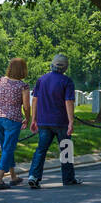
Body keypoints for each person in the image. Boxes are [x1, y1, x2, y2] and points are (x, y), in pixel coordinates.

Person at [27, 53, 81, 189]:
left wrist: (33, 119)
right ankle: (68, 178)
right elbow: (68, 101)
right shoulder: (67, 81)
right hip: (61, 121)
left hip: (44, 121)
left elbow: (35, 100)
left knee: (41, 149)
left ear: (52, 65)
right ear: (65, 68)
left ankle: (34, 176)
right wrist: (71, 122)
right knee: (66, 149)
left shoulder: (42, 79)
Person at [0, 57, 32, 190]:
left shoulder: (1, 80)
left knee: (5, 147)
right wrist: (28, 118)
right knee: (8, 148)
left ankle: (13, 177)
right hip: (13, 119)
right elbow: (26, 106)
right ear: (22, 70)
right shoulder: (23, 86)